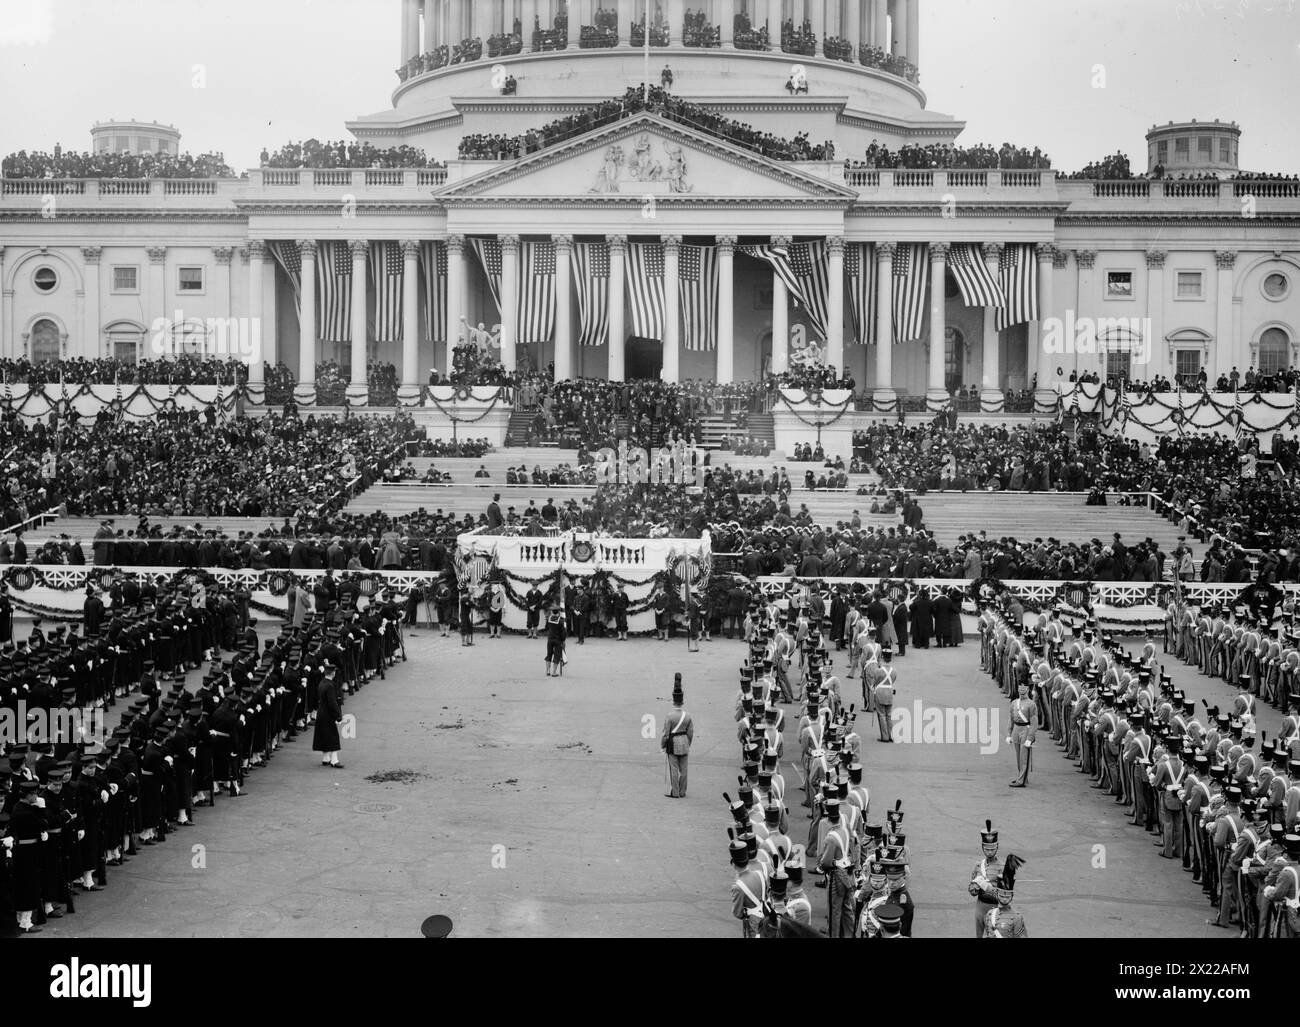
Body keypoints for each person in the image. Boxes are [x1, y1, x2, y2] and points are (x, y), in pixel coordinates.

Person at [661, 672, 693, 798]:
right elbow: (691, 732)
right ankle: (682, 791)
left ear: (673, 701)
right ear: (682, 702)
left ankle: (675, 792)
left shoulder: (670, 716)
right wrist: (687, 742)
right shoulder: (688, 716)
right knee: (684, 769)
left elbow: (666, 733)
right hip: (684, 741)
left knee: (673, 768)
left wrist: (663, 744)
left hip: (673, 743)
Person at [969, 818, 1003, 937]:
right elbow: (971, 889)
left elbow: (1004, 895)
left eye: (992, 849)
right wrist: (975, 889)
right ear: (982, 847)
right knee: (979, 935)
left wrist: (987, 887)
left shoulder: (1001, 867)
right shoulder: (978, 865)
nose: (989, 852)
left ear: (997, 847)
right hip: (980, 906)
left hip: (995, 907)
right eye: (987, 849)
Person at [982, 854, 1028, 937]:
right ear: (997, 894)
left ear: (1012, 896)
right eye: (1002, 896)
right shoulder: (990, 914)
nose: (1004, 899)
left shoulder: (1016, 918)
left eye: (1007, 897)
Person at [312, 667, 344, 769]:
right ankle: (334, 760)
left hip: (321, 712)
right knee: (333, 737)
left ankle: (326, 758)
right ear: (333, 673)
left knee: (324, 736)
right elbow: (332, 702)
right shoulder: (330, 686)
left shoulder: (322, 682)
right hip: (328, 714)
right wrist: (338, 715)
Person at [1008, 680, 1038, 787]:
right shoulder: (1014, 703)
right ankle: (1021, 776)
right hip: (1016, 728)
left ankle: (1021, 780)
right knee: (1018, 756)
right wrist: (1009, 734)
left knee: (1023, 756)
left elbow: (1034, 722)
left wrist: (1030, 737)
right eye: (1020, 688)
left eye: (1024, 688)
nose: (1021, 690)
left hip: (1025, 728)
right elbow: (1011, 719)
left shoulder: (1031, 704)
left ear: (1028, 690)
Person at [545, 605, 566, 677]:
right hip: (557, 640)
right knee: (557, 656)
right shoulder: (561, 621)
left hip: (550, 639)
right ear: (558, 612)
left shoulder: (549, 618)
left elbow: (548, 628)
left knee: (549, 654)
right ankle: (553, 672)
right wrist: (563, 640)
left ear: (552, 612)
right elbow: (563, 633)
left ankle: (547, 671)